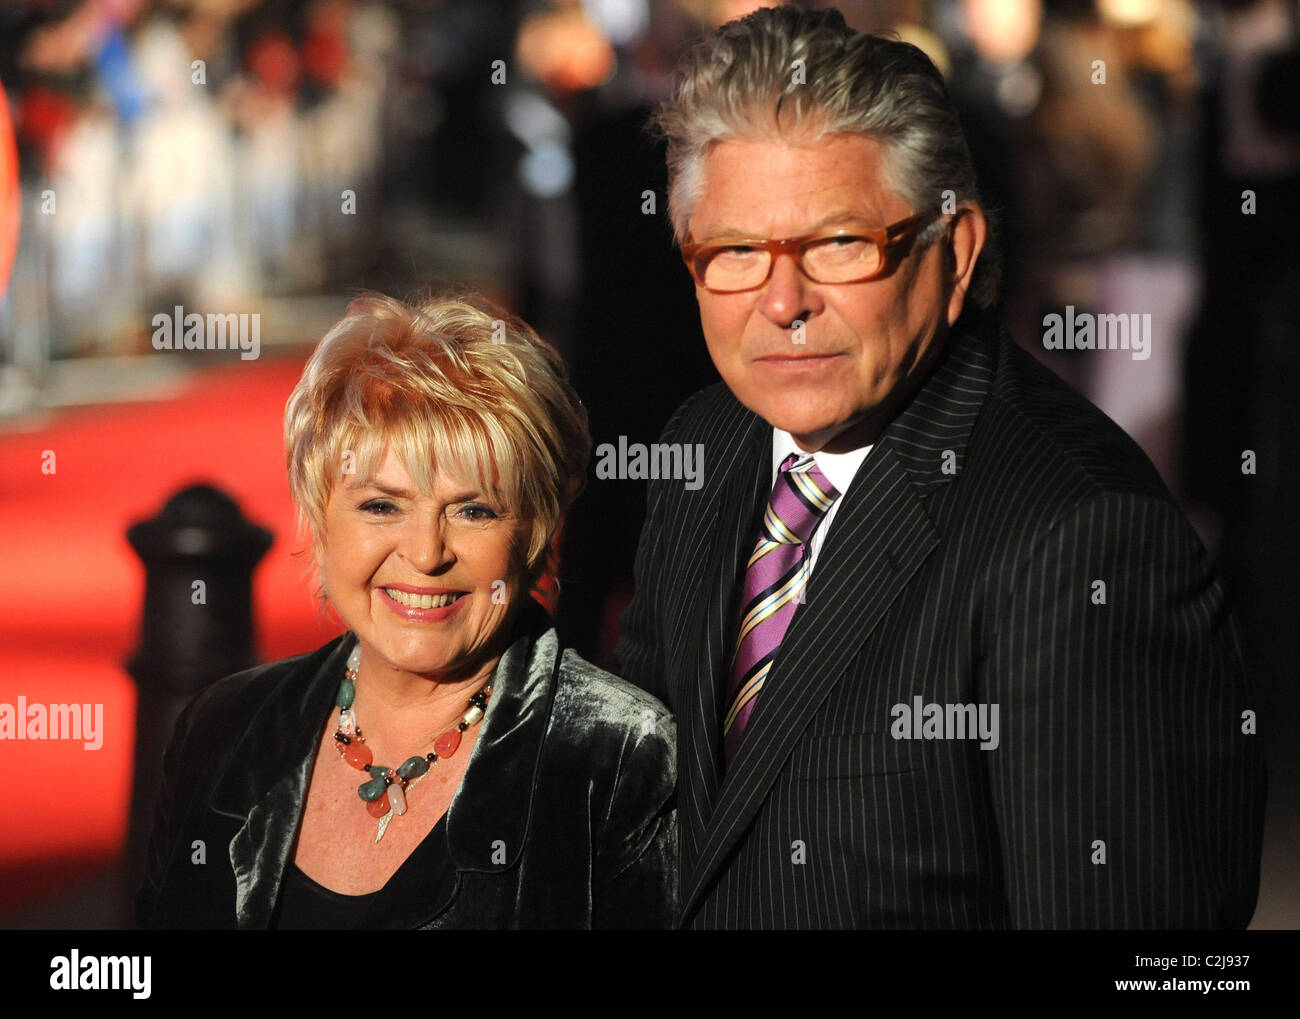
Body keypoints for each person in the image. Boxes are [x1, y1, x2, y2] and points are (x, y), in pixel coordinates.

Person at [615, 5, 1266, 929]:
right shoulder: (707, 442)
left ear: (954, 252)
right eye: (735, 252)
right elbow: (647, 812)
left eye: (838, 243)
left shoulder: (1084, 543)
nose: (783, 301)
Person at [136, 293, 676, 929]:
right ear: (318, 514)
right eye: (381, 506)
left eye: (474, 510)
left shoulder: (614, 760)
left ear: (535, 532)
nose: (425, 554)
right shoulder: (223, 730)